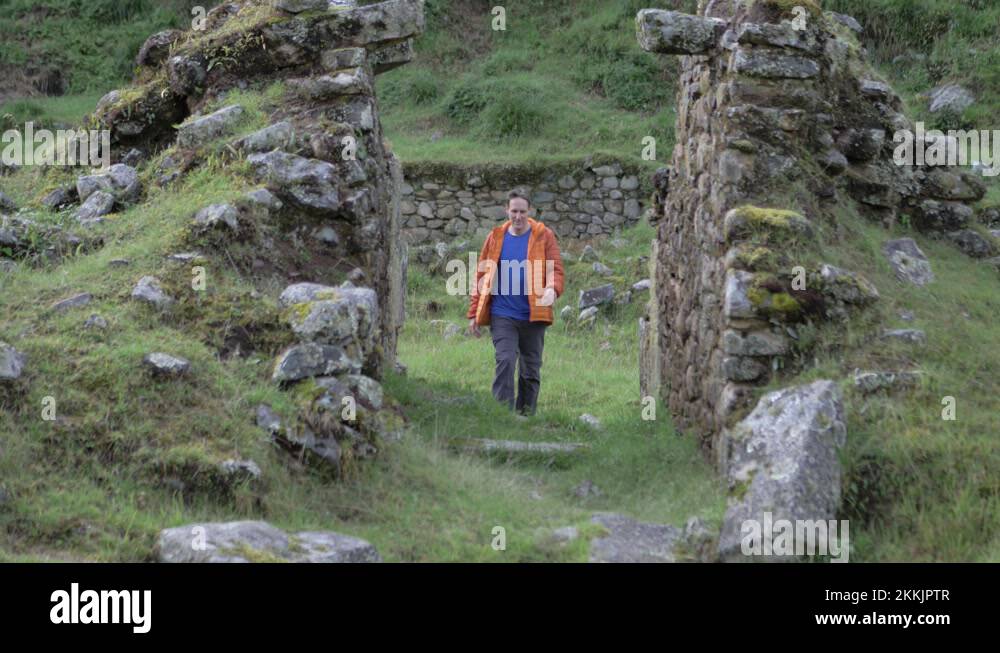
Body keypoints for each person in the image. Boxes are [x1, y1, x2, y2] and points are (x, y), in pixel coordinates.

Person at [467, 191, 564, 415]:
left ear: (529, 212)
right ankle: (502, 416)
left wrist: (552, 289)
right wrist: (474, 313)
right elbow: (481, 276)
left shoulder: (543, 235)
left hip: (534, 315)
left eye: (522, 211)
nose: (518, 216)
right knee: (506, 360)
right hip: (503, 314)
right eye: (514, 211)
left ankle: (526, 417)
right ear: (506, 211)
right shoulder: (496, 236)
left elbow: (555, 269)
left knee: (530, 371)